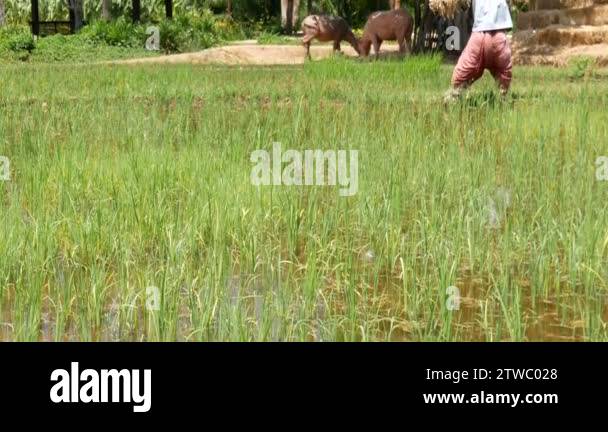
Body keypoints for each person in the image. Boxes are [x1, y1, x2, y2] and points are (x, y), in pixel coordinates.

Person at [444, 0, 513, 103]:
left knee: (462, 72)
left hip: (478, 36)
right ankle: (503, 97)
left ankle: (454, 94)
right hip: (499, 37)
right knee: (503, 73)